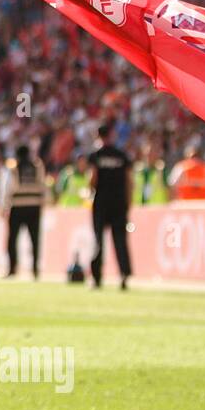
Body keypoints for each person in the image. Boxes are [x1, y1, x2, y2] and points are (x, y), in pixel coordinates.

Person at [88, 123, 133, 290]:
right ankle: (124, 275)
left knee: (99, 241)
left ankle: (96, 278)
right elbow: (129, 182)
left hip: (101, 203)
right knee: (120, 241)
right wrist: (128, 202)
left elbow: (93, 179)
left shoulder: (96, 156)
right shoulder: (121, 155)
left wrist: (90, 190)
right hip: (119, 203)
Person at [0, 144, 46, 279]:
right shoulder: (37, 166)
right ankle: (35, 269)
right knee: (35, 239)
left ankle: (12, 269)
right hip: (34, 206)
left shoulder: (13, 168)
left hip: (17, 206)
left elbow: (8, 188)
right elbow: (43, 185)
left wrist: (4, 207)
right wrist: (42, 203)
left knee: (12, 239)